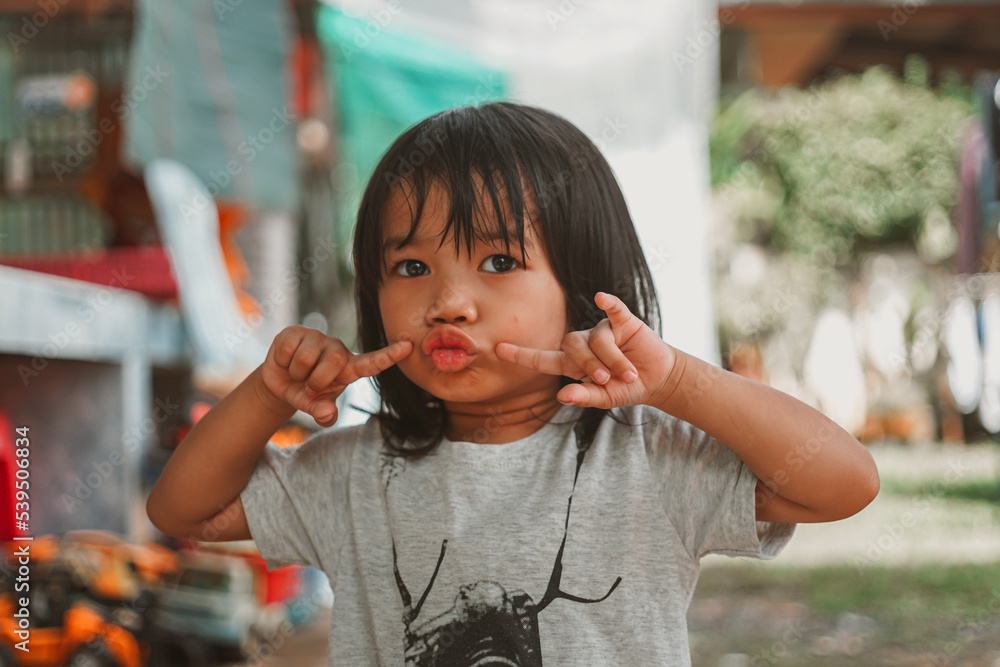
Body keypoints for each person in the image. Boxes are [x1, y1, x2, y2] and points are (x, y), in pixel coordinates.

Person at [146, 102, 879, 665]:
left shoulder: (649, 459)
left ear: (584, 289)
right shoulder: (354, 472)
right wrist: (265, 394)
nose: (448, 301)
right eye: (410, 267)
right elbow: (183, 510)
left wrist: (677, 381)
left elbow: (844, 483)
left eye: (498, 262)